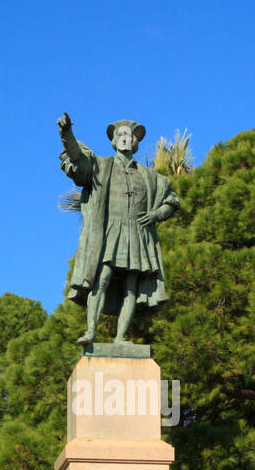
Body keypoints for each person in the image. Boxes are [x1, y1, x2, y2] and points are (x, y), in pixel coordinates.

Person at [58, 112, 180, 344]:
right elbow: (78, 159)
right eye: (121, 135)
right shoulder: (101, 166)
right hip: (109, 233)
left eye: (130, 135)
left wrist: (156, 214)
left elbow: (172, 201)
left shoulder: (151, 177)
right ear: (114, 141)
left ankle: (121, 338)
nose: (125, 138)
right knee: (101, 279)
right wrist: (67, 135)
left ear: (135, 142)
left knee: (131, 287)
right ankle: (91, 332)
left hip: (137, 234)